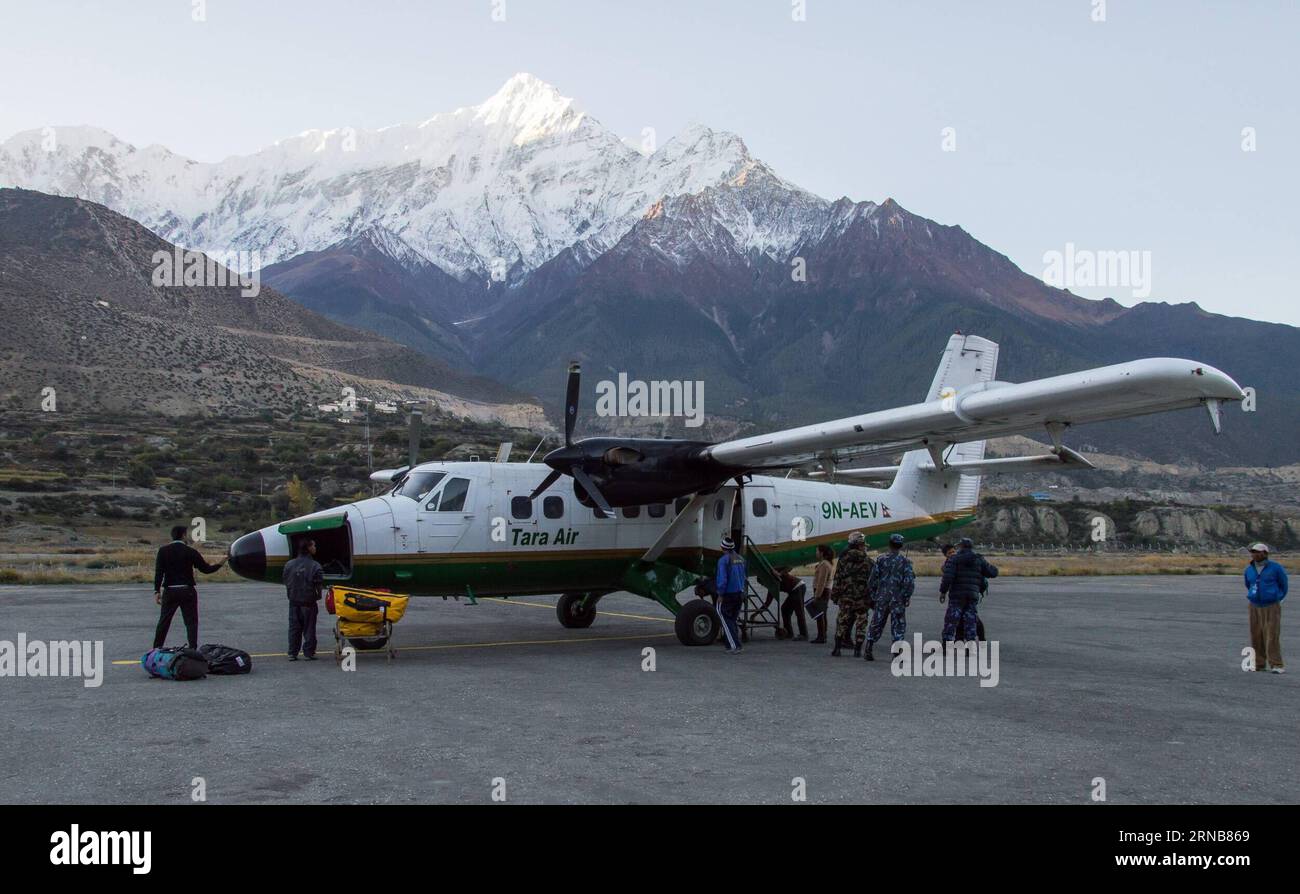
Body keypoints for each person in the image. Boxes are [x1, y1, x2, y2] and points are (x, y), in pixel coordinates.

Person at [152, 524, 225, 649]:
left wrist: (156, 590)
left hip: (170, 591)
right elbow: (206, 569)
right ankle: (192, 648)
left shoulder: (163, 551)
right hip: (187, 590)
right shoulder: (190, 552)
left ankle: (156, 648)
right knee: (191, 622)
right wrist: (220, 563)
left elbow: (159, 572)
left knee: (164, 621)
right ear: (184, 535)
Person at [863, 533, 916, 660]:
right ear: (901, 546)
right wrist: (906, 596)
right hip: (898, 599)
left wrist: (874, 595)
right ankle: (896, 654)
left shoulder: (881, 559)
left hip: (882, 597)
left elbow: (872, 580)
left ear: (889, 544)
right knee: (898, 625)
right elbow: (909, 582)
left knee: (876, 623)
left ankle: (869, 648)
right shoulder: (905, 562)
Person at [939, 537, 997, 643]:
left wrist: (943, 591)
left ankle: (946, 646)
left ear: (961, 546)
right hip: (972, 594)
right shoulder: (978, 559)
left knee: (951, 620)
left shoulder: (954, 559)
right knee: (970, 621)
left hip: (957, 595)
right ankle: (970, 647)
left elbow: (948, 578)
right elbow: (993, 572)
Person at [1244, 543, 1287, 673]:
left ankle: (1276, 665)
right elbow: (1248, 584)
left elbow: (1283, 585)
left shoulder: (1275, 568)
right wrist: (1254, 596)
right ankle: (1258, 664)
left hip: (1271, 605)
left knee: (1272, 635)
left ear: (1265, 554)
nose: (1255, 554)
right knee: (1256, 635)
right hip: (1254, 605)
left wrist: (1276, 597)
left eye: (1258, 552)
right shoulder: (1249, 569)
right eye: (1253, 552)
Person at [831, 531, 874, 657]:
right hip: (862, 598)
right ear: (861, 545)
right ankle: (857, 650)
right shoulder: (869, 561)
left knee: (842, 621)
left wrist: (835, 595)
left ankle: (837, 648)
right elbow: (873, 581)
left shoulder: (843, 560)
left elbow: (837, 578)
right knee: (861, 623)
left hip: (846, 597)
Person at [283, 539, 325, 661]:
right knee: (309, 628)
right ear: (309, 548)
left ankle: (292, 652)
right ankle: (309, 652)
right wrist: (317, 596)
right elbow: (318, 584)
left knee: (294, 628)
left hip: (293, 601)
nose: (315, 547)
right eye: (314, 545)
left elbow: (285, 580)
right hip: (308, 602)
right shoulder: (315, 566)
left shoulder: (289, 565)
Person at [715, 535, 747, 654]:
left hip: (728, 594)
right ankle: (730, 645)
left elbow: (723, 579)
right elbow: (744, 577)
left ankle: (735, 645)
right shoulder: (741, 559)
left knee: (723, 616)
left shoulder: (723, 560)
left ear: (722, 547)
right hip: (739, 593)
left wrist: (720, 594)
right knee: (732, 619)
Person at [808, 544, 835, 644]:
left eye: (817, 551)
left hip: (822, 591)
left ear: (822, 553)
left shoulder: (824, 564)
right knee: (822, 614)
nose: (816, 553)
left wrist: (817, 596)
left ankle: (821, 636)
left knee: (820, 614)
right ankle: (823, 635)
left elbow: (821, 582)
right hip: (826, 590)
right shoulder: (827, 563)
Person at [774, 567, 809, 640]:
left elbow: (789, 567)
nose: (762, 585)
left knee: (799, 611)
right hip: (793, 591)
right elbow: (768, 600)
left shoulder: (774, 571)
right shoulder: (771, 584)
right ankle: (789, 633)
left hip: (798, 587)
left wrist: (779, 574)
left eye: (761, 583)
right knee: (785, 609)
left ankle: (804, 634)